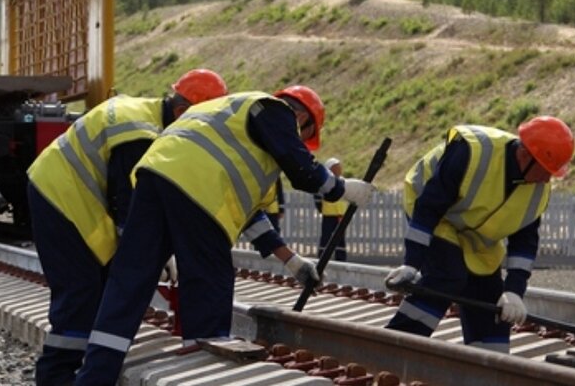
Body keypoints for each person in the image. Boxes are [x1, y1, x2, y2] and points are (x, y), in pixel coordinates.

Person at [73, 85, 376, 384]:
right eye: (305, 135)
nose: (299, 141)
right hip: (200, 185)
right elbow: (303, 171)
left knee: (130, 281)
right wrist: (344, 189)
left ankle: (94, 376)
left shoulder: (231, 123)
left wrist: (293, 262)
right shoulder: (273, 109)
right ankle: (201, 367)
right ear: (301, 117)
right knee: (210, 278)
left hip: (154, 176)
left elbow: (253, 218)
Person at [27, 69, 228, 386]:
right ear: (182, 112)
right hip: (62, 196)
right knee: (81, 293)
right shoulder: (138, 130)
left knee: (97, 290)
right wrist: (152, 255)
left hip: (70, 197)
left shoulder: (146, 120)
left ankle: (75, 371)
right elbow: (129, 204)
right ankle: (56, 377)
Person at [384, 117, 575, 353]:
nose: (547, 179)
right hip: (435, 214)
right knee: (447, 277)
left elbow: (524, 244)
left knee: (490, 299)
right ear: (525, 155)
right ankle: (394, 346)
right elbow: (429, 208)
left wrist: (514, 291)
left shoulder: (537, 190)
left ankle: (488, 363)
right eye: (545, 170)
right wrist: (412, 263)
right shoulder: (471, 151)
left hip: (476, 234)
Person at [315, 157, 349, 261]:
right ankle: (322, 257)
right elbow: (318, 198)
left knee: (340, 238)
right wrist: (322, 209)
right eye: (335, 168)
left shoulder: (343, 181)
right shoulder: (324, 181)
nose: (339, 170)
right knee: (326, 237)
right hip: (328, 214)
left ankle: (341, 259)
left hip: (340, 215)